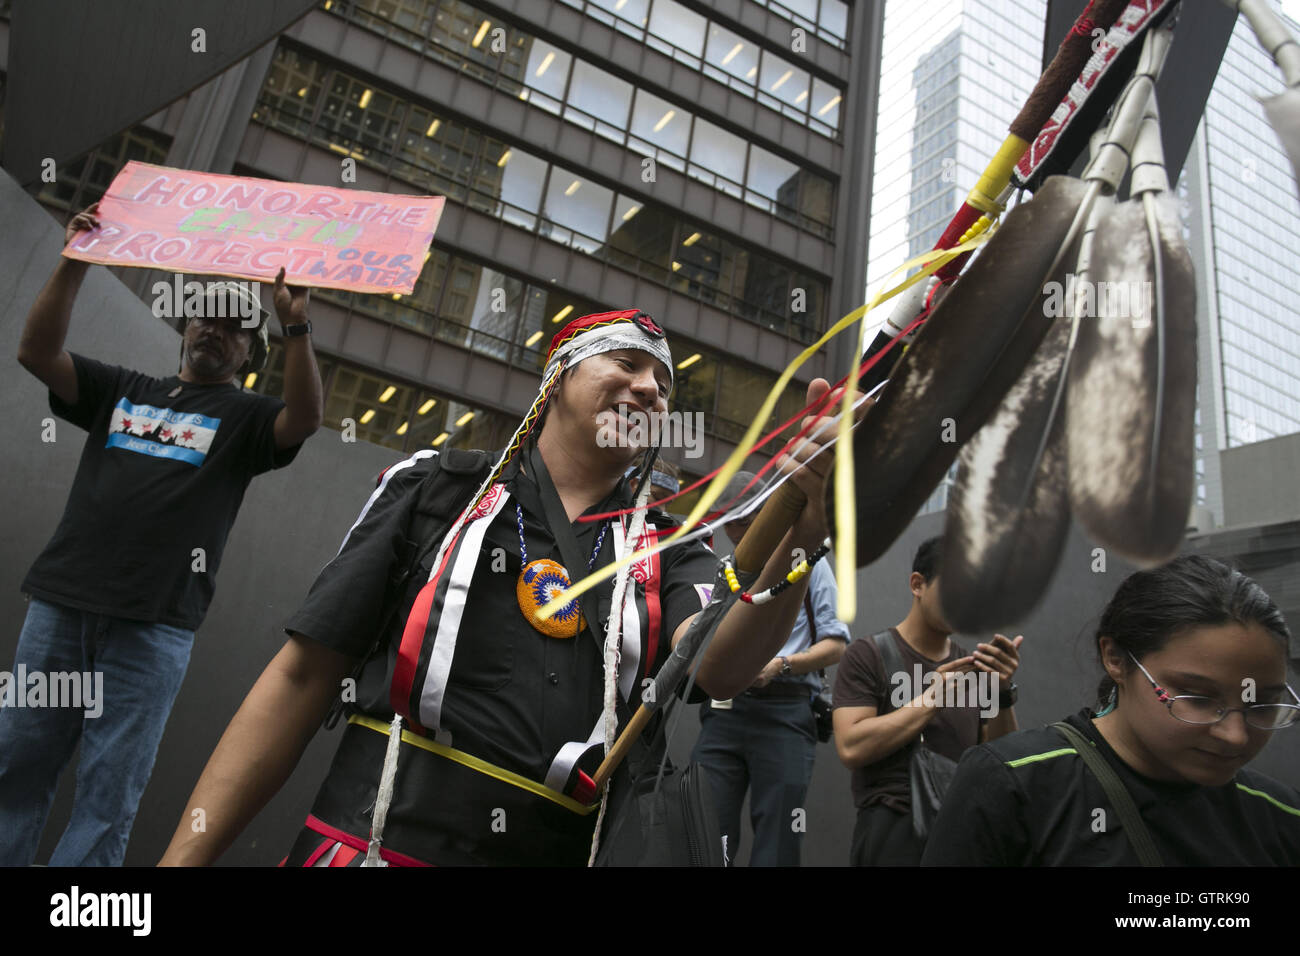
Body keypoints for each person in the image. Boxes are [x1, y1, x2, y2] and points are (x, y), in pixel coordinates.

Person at [158, 308, 845, 867]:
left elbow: (720, 664)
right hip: (370, 846)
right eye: (625, 363)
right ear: (558, 378)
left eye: (662, 385)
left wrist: (802, 541)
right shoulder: (435, 488)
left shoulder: (671, 549)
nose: (648, 389)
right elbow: (304, 676)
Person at [0, 203, 323, 867]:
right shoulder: (121, 389)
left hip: (152, 630)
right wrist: (74, 262)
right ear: (184, 329)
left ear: (251, 354)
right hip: (60, 605)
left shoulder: (248, 419)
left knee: (109, 792)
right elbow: (35, 352)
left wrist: (296, 325)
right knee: (17, 762)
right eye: (205, 316)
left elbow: (306, 418)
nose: (215, 329)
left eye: (235, 327)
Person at [922, 554, 1300, 865]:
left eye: (1260, 704)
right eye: (1198, 698)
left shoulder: (1280, 815)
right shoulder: (1014, 785)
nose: (1235, 736)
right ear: (1115, 658)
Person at [832, 535, 1023, 865]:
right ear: (918, 585)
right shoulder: (869, 655)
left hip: (958, 833)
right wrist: (932, 699)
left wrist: (1003, 692)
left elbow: (999, 763)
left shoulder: (976, 669)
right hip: (891, 833)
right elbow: (851, 746)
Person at [691, 470, 850, 866]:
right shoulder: (723, 565)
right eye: (729, 523)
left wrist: (779, 665)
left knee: (778, 837)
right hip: (724, 712)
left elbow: (836, 645)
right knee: (705, 827)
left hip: (785, 713)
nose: (736, 532)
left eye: (743, 521)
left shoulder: (806, 559)